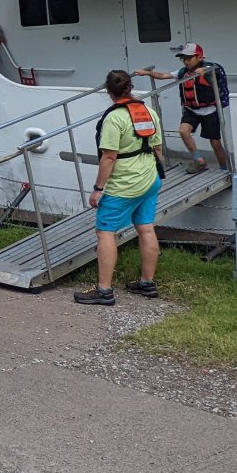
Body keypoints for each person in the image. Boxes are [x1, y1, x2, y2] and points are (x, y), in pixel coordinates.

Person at [75, 71, 165, 306]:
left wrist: (98, 189)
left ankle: (104, 290)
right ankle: (147, 283)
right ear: (130, 87)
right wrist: (153, 175)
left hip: (124, 185)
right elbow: (158, 149)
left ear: (108, 91)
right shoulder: (149, 111)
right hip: (150, 179)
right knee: (146, 228)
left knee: (105, 232)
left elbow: (109, 157)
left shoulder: (114, 118)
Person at [133, 43, 229, 172]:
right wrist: (147, 73)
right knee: (184, 131)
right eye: (183, 58)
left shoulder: (208, 69)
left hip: (209, 111)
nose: (186, 61)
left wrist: (204, 70)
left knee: (215, 143)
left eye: (189, 58)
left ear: (200, 57)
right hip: (191, 110)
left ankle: (224, 169)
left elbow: (215, 69)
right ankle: (199, 161)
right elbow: (163, 76)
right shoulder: (183, 72)